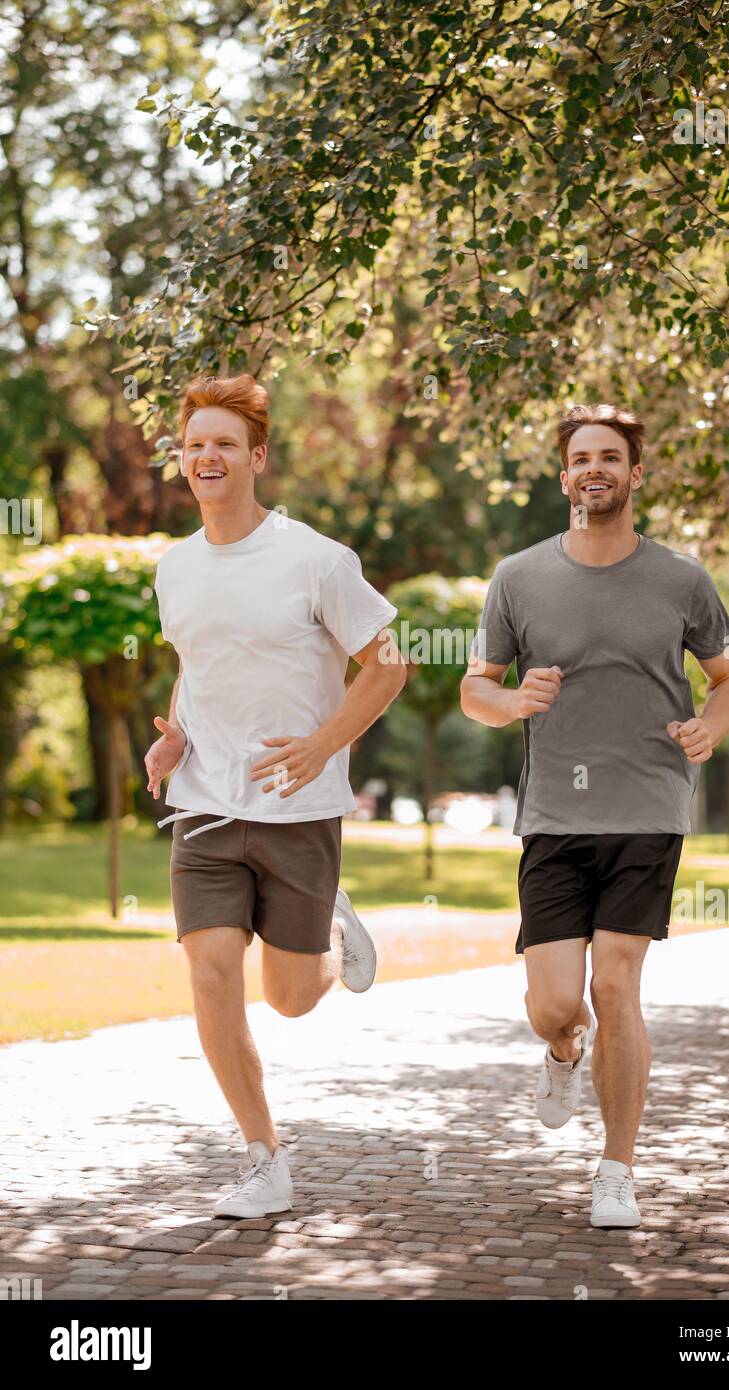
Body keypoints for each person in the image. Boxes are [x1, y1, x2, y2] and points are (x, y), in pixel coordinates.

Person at [460, 403, 729, 1229]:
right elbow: (476, 689)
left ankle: (616, 1169)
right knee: (557, 1004)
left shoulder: (682, 579)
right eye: (582, 457)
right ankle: (561, 1053)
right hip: (552, 816)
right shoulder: (518, 577)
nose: (596, 469)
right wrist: (513, 699)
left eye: (611, 457)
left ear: (634, 475)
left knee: (617, 985)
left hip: (649, 807)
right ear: (564, 478)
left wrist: (710, 727)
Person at [145, 374, 406, 1217]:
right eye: (194, 445)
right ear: (181, 463)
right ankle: (264, 1157)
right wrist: (176, 736)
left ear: (256, 457)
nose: (207, 456)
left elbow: (389, 663)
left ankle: (329, 918)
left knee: (290, 1000)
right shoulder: (174, 569)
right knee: (212, 973)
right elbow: (198, 670)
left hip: (299, 810)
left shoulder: (318, 561)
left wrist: (325, 744)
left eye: (224, 443)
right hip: (205, 807)